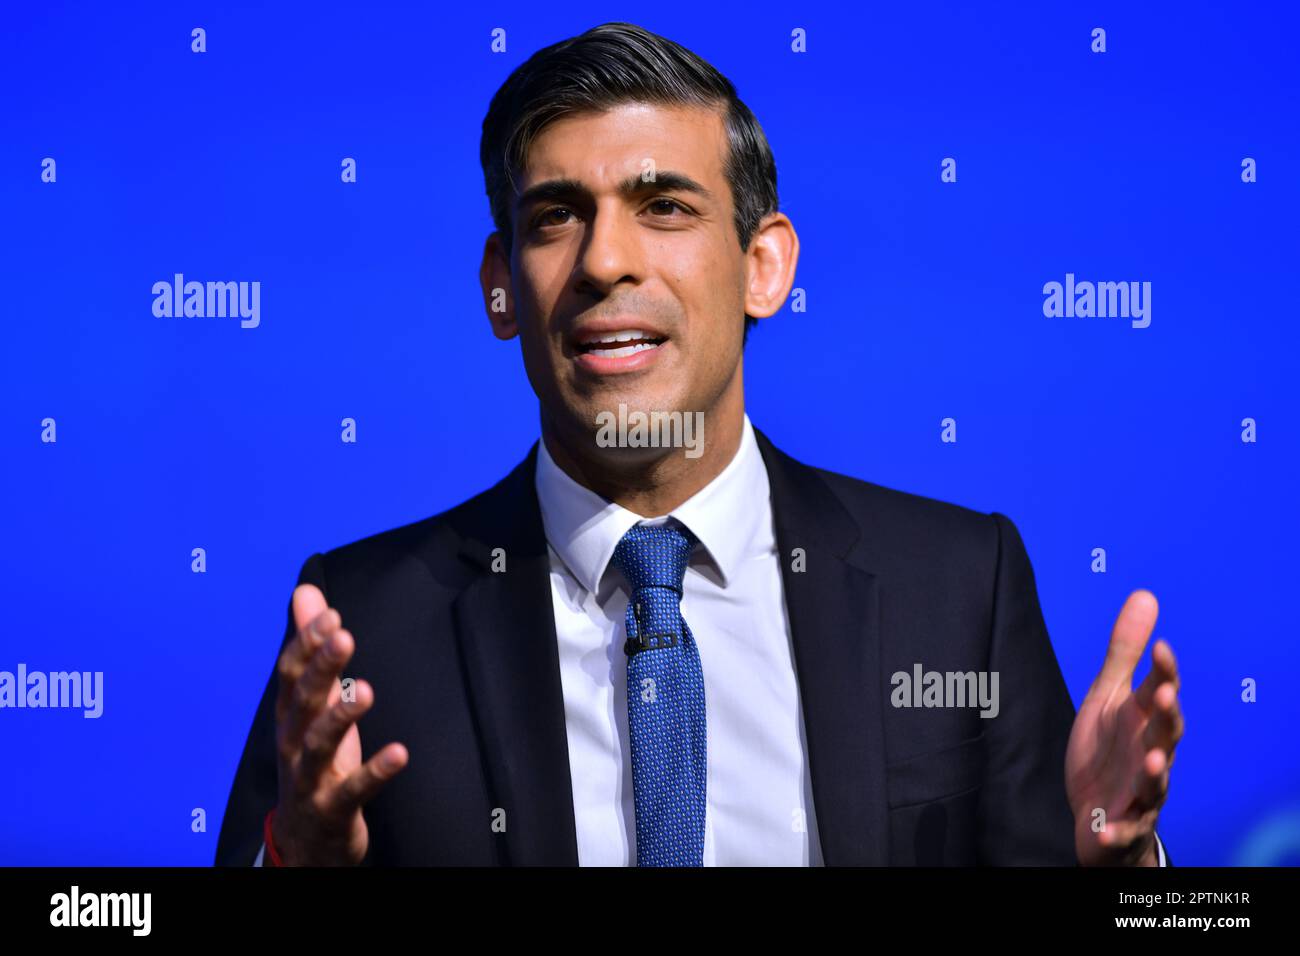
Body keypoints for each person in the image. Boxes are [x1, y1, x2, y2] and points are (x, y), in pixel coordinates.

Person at [215, 22, 1182, 867]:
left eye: (664, 207)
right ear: (501, 286)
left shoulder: (960, 587)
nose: (604, 260)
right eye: (557, 217)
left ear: (763, 267)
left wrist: (1127, 863)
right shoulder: (364, 620)